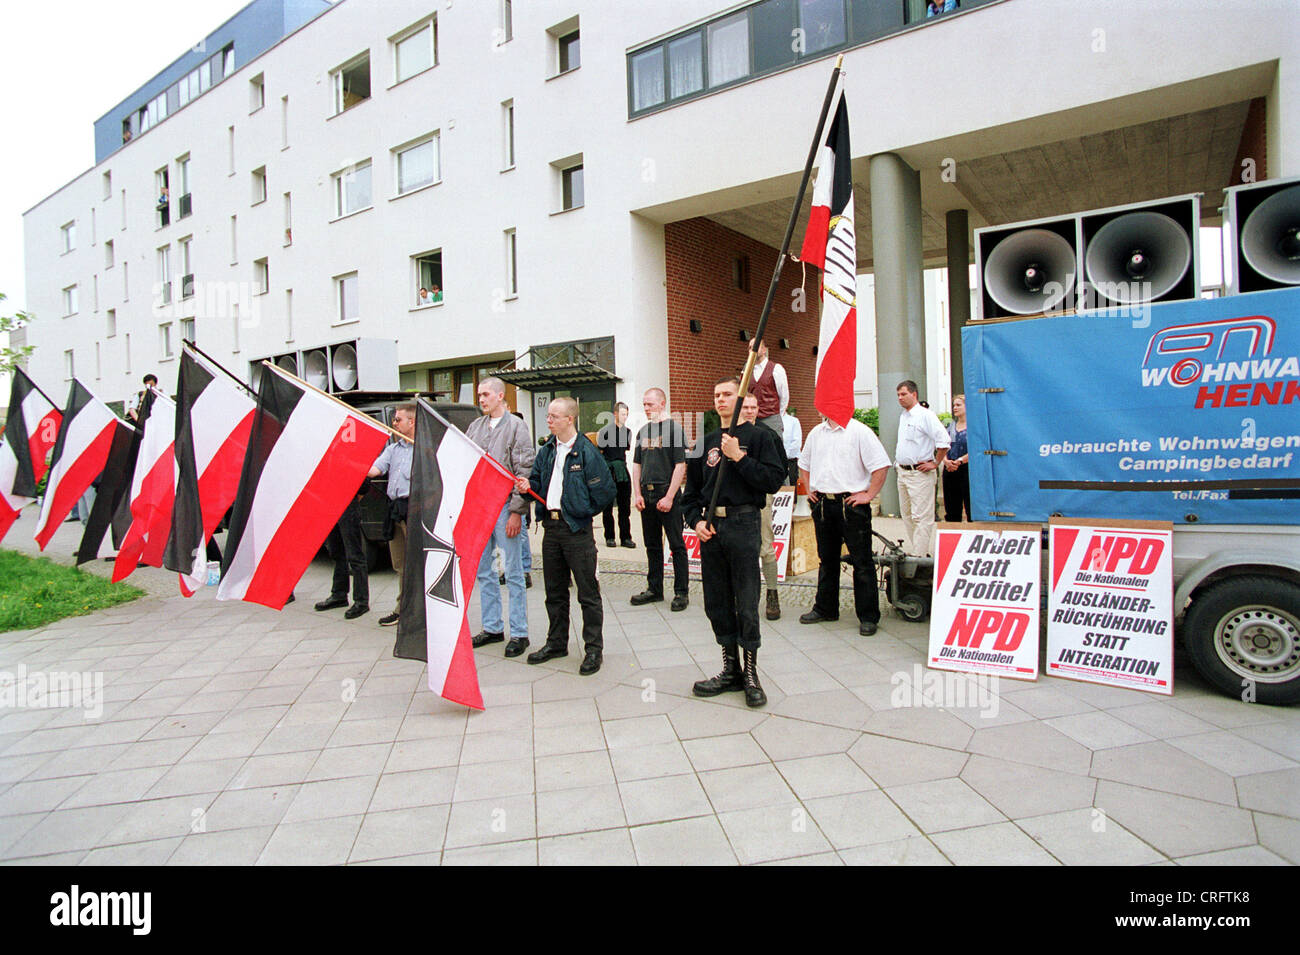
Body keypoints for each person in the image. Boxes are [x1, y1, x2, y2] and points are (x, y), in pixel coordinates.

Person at [682, 376, 787, 708]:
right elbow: (690, 496)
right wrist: (696, 522)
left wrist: (739, 457)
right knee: (717, 599)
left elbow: (772, 480)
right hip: (712, 528)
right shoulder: (705, 442)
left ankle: (752, 674)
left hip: (743, 523)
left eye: (727, 394)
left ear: (741, 397)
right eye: (716, 395)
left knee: (745, 598)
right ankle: (731, 669)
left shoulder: (760, 438)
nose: (721, 400)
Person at [521, 397, 616, 675]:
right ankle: (556, 643)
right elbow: (538, 480)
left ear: (569, 419)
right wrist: (528, 486)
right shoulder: (547, 450)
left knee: (587, 592)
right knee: (554, 592)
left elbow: (605, 492)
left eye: (554, 416)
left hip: (576, 530)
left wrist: (581, 511)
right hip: (551, 529)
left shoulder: (587, 451)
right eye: (548, 416)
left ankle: (593, 649)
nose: (548, 420)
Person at [797, 414, 891, 635]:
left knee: (862, 562)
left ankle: (868, 616)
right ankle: (826, 608)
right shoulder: (816, 433)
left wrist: (869, 495)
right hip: (823, 504)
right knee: (827, 559)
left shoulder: (860, 432)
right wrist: (809, 489)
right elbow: (804, 463)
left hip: (850, 505)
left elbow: (881, 465)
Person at [468, 377, 535, 658]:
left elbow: (525, 470)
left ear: (499, 395)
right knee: (484, 571)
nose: (481, 399)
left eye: (485, 394)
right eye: (479, 395)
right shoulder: (475, 427)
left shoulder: (517, 427)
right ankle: (493, 627)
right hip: (480, 509)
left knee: (514, 572)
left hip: (505, 507)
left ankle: (519, 632)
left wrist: (517, 512)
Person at [629, 387, 690, 611]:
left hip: (668, 492)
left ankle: (681, 592)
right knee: (652, 544)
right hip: (647, 493)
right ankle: (654, 588)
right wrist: (637, 494)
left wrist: (670, 496)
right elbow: (636, 465)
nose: (646, 408)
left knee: (676, 544)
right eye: (644, 404)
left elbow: (680, 465)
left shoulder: (674, 429)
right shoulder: (643, 432)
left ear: (662, 404)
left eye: (650, 404)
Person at [367, 404, 415, 626]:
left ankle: (418, 610)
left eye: (398, 420)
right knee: (400, 564)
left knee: (417, 564)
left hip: (415, 510)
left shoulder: (423, 450)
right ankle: (402, 608)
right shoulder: (393, 449)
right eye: (394, 420)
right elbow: (375, 469)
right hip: (395, 510)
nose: (394, 423)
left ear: (411, 422)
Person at [894, 381, 949, 557]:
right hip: (903, 472)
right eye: (898, 395)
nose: (900, 398)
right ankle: (918, 551)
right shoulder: (904, 416)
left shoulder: (926, 415)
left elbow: (944, 441)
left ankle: (920, 556)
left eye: (903, 394)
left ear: (914, 394)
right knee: (907, 515)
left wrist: (935, 462)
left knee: (921, 517)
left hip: (920, 473)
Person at [740, 394, 782, 619]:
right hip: (736, 499)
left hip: (761, 497)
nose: (749, 411)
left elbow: (780, 469)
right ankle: (745, 596)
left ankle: (772, 594)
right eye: (745, 407)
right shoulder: (730, 434)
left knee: (766, 546)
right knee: (741, 550)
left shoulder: (769, 436)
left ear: (758, 410)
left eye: (753, 407)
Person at [315, 495, 369, 619]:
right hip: (330, 504)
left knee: (355, 555)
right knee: (336, 552)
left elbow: (364, 483)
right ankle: (339, 594)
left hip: (348, 505)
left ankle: (361, 601)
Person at [597, 402, 634, 548]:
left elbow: (625, 450)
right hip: (608, 470)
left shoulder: (628, 432)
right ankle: (609, 537)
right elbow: (600, 452)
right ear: (615, 414)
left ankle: (625, 537)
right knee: (607, 507)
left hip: (622, 471)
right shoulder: (604, 431)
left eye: (627, 414)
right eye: (622, 413)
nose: (625, 417)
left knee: (624, 507)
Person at [747, 339, 788, 437]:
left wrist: (776, 415)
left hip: (771, 419)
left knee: (774, 449)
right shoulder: (747, 370)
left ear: (764, 350)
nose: (752, 350)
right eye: (750, 347)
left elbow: (784, 396)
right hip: (752, 419)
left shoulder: (776, 369)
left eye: (756, 346)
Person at [943, 394, 971, 522]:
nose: (955, 408)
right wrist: (946, 461)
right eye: (954, 405)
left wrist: (960, 460)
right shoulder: (949, 425)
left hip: (967, 469)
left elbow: (977, 449)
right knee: (951, 508)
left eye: (958, 405)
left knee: (970, 505)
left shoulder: (973, 427)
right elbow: (942, 445)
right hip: (950, 469)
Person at [782, 407, 803, 486]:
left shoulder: (793, 421)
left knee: (790, 490)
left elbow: (796, 443)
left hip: (789, 462)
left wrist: (783, 455)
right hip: (773, 462)